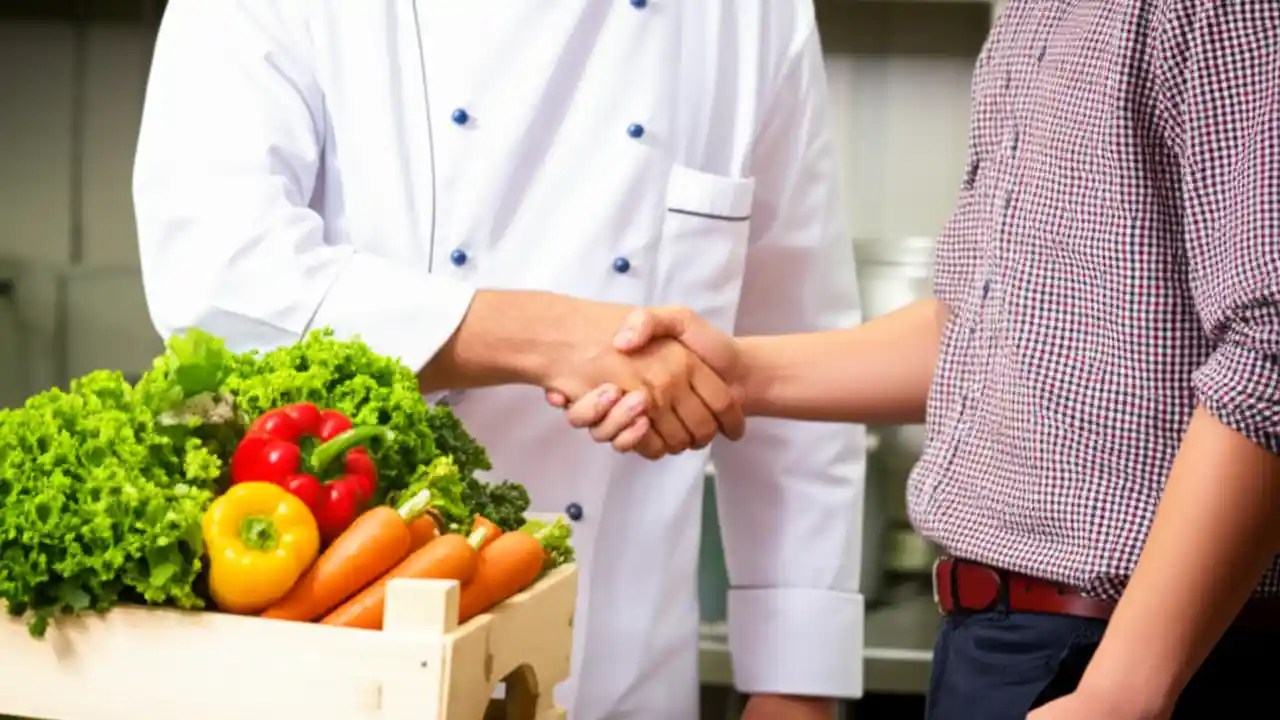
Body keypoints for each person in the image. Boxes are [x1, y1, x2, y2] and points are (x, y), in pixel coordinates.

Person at [131, 1, 867, 718]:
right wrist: (547, 337)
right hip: (343, 663)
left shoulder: (753, 13)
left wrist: (796, 686)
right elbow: (221, 278)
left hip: (622, 665)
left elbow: (795, 355)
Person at [561, 3, 1280, 718]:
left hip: (1138, 652)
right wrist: (739, 373)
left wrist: (1123, 691)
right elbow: (988, 333)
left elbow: (1270, 347)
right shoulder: (1035, 15)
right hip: (1010, 641)